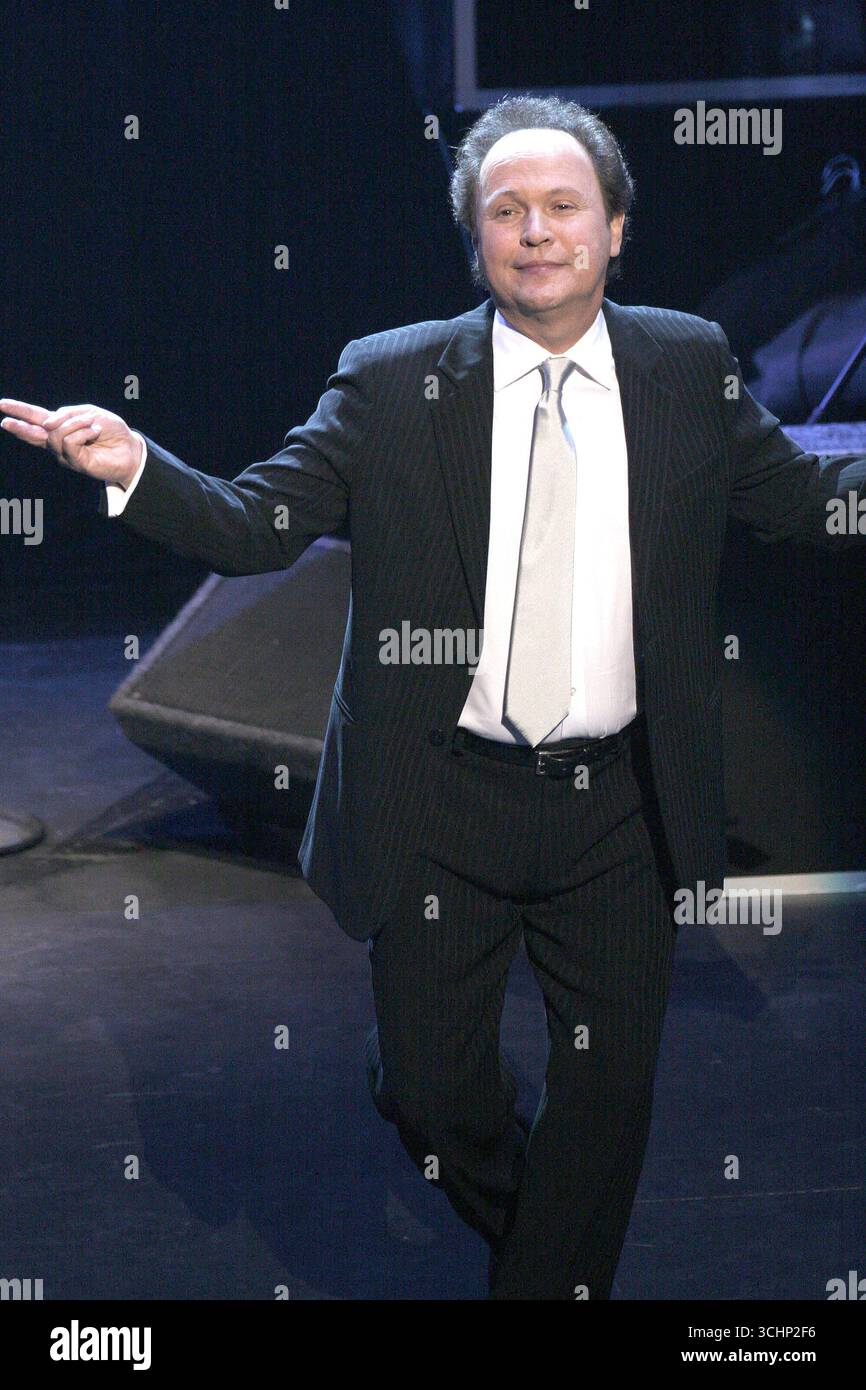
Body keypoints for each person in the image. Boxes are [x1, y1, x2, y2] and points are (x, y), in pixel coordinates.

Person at [3, 94, 865, 1301]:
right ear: (475, 241)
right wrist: (140, 466)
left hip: (621, 801)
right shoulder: (391, 375)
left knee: (605, 1095)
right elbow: (258, 524)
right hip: (444, 804)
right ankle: (546, 1252)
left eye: (561, 205)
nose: (535, 231)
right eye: (505, 211)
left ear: (614, 228)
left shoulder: (685, 364)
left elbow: (804, 501)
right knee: (428, 1096)